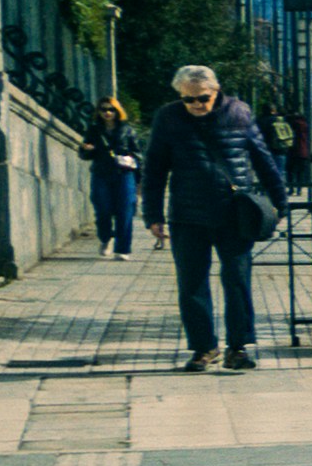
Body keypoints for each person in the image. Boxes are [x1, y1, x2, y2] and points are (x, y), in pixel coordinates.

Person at [139, 58, 293, 371]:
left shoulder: (239, 112)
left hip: (233, 212)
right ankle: (203, 348)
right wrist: (153, 215)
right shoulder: (168, 118)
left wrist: (281, 203)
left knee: (237, 278)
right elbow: (154, 168)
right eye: (188, 98)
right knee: (191, 283)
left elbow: (263, 159)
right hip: (187, 213)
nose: (196, 104)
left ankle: (238, 347)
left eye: (202, 97)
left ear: (216, 91)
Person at [86, 93, 139, 256]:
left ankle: (122, 249)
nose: (108, 113)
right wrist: (86, 149)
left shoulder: (127, 130)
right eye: (103, 110)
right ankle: (106, 237)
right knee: (102, 209)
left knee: (125, 211)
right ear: (99, 112)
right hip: (101, 174)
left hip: (123, 174)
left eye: (111, 109)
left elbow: (138, 154)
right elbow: (84, 154)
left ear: (117, 111)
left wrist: (131, 161)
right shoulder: (94, 130)